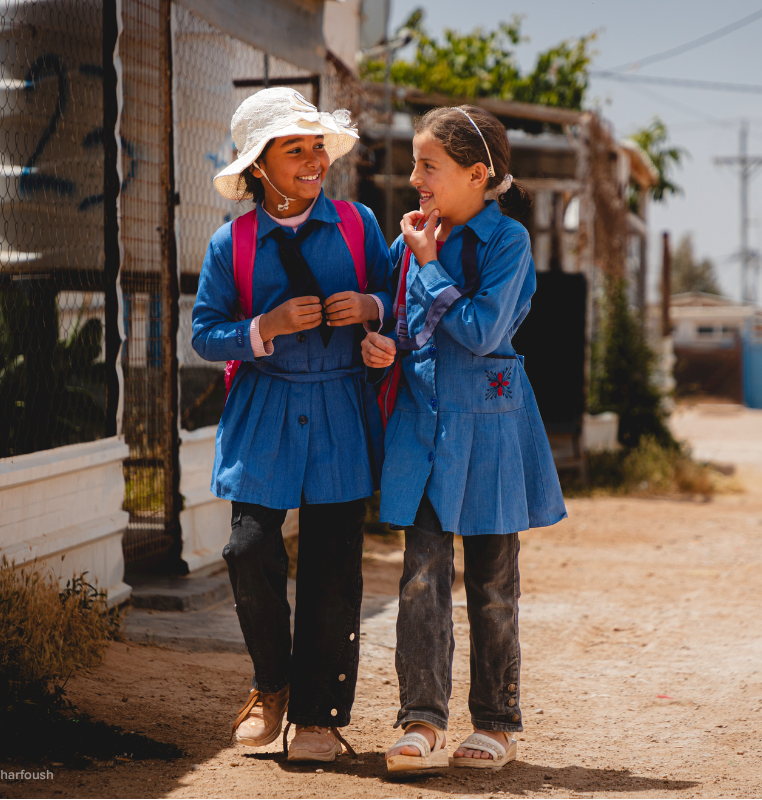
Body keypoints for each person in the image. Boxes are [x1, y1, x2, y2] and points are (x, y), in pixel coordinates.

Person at [361, 105, 567, 772]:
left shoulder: (505, 245)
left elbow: (481, 332)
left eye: (430, 167)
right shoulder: (412, 241)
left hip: (490, 436)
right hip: (423, 432)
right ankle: (420, 720)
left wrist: (428, 264)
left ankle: (497, 724)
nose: (415, 178)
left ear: (477, 175)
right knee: (420, 578)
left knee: (492, 584)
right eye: (417, 164)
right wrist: (385, 345)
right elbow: (406, 322)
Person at [192, 87, 393, 762]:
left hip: (340, 408)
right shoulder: (232, 243)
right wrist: (262, 327)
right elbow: (205, 334)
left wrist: (370, 306)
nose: (313, 161)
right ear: (259, 166)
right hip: (264, 410)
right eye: (294, 149)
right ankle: (270, 686)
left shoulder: (361, 226)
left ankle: (317, 719)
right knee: (249, 550)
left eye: (317, 147)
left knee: (334, 566)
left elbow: (398, 300)